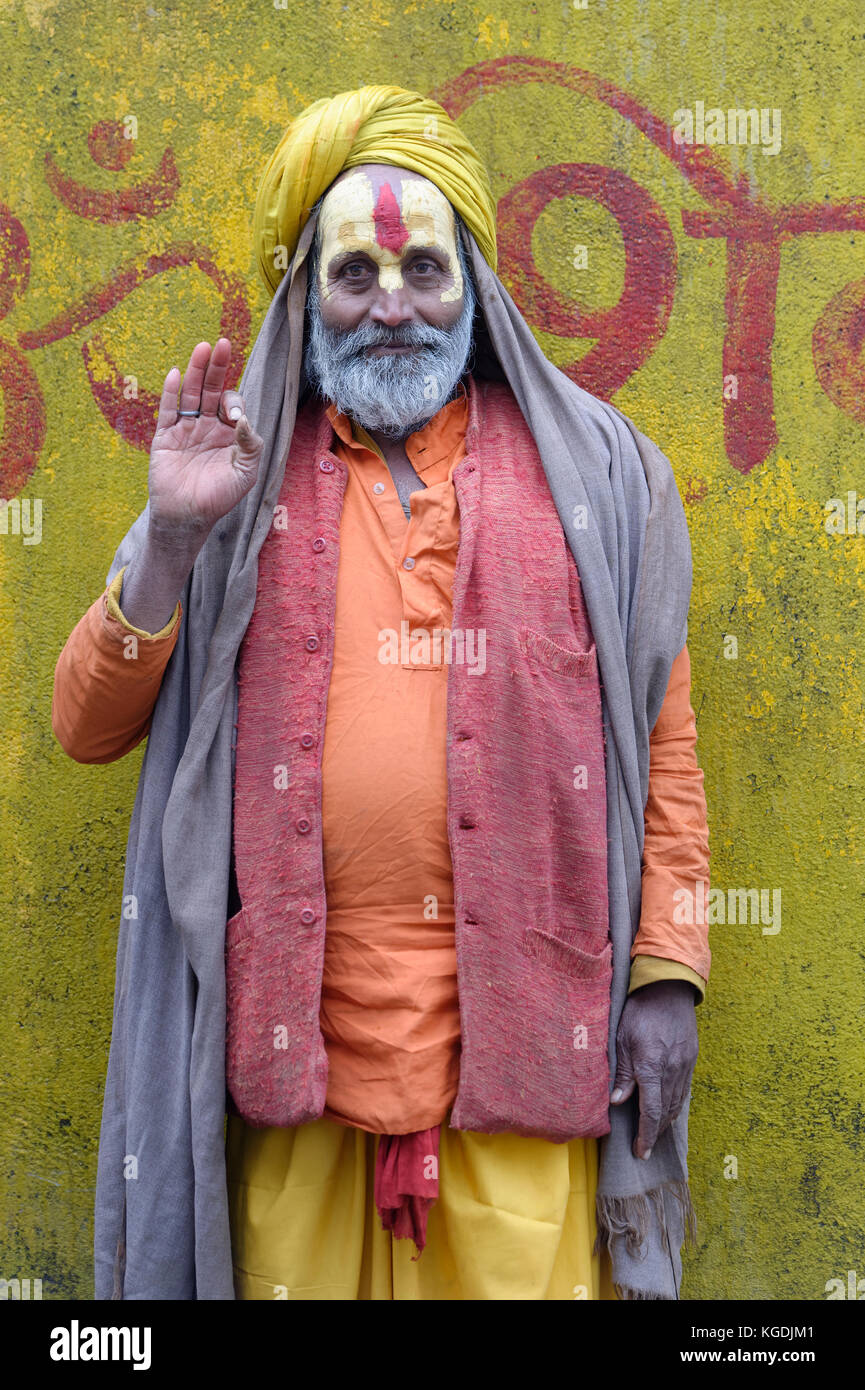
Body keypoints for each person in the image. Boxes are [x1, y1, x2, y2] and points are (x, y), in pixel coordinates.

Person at [52, 85, 710, 1300]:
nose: (393, 304)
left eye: (424, 268)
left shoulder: (606, 482)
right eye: (354, 273)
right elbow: (83, 727)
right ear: (305, 296)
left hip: (526, 1060)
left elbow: (662, 747)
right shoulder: (229, 487)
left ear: (477, 288)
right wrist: (170, 542)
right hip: (295, 1069)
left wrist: (665, 971)